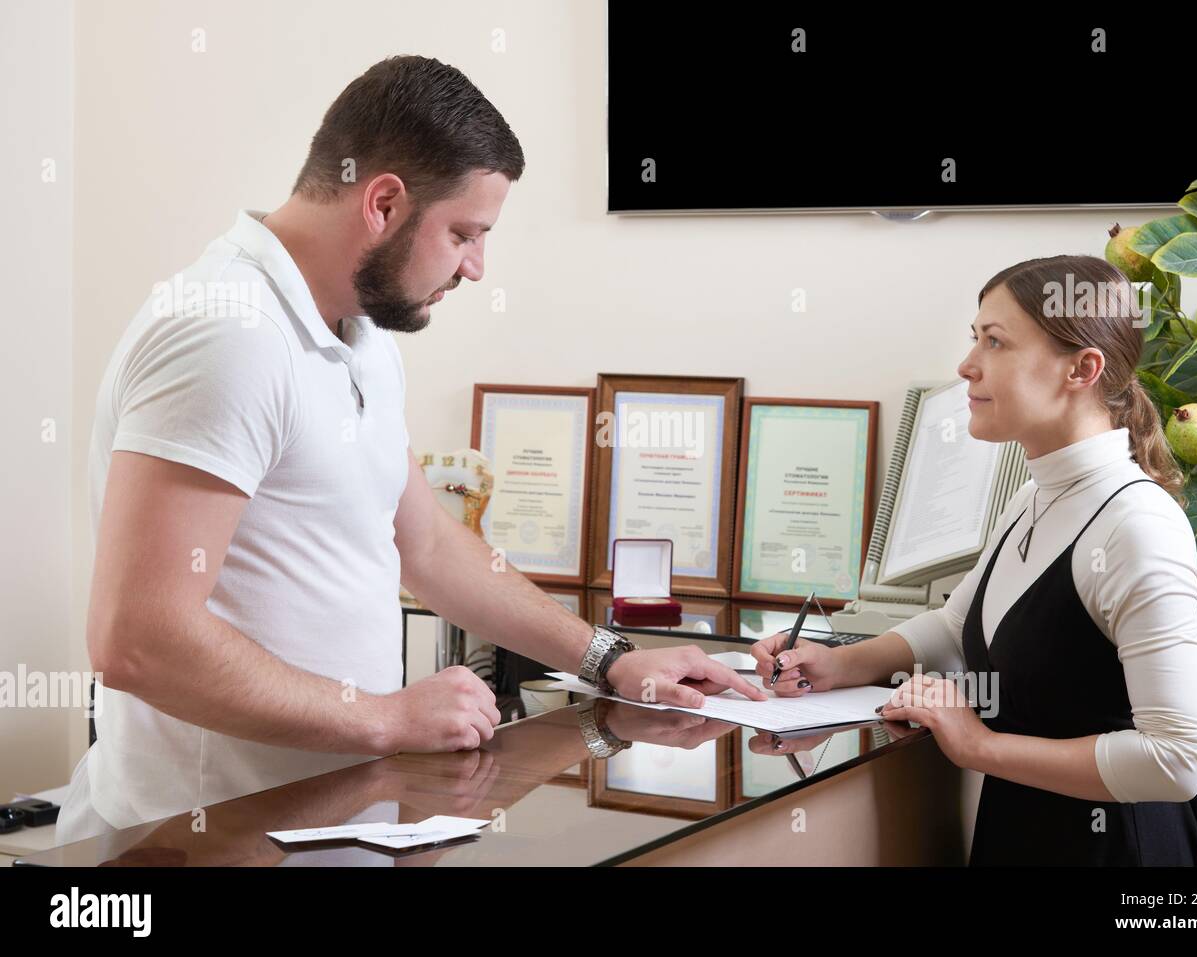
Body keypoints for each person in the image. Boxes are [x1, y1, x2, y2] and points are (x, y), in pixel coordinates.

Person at [58, 55, 761, 846]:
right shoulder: (226, 331)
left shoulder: (361, 333)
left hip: (327, 820)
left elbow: (423, 542)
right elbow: (138, 638)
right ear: (383, 200)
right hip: (202, 836)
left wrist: (610, 658)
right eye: (464, 232)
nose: (475, 265)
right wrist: (388, 715)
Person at [753, 255, 1197, 866]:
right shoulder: (1033, 498)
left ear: (1083, 368)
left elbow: (1177, 759)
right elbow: (956, 626)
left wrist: (979, 747)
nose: (967, 366)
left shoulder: (1138, 526)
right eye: (976, 339)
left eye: (995, 342)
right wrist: (839, 664)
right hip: (1021, 833)